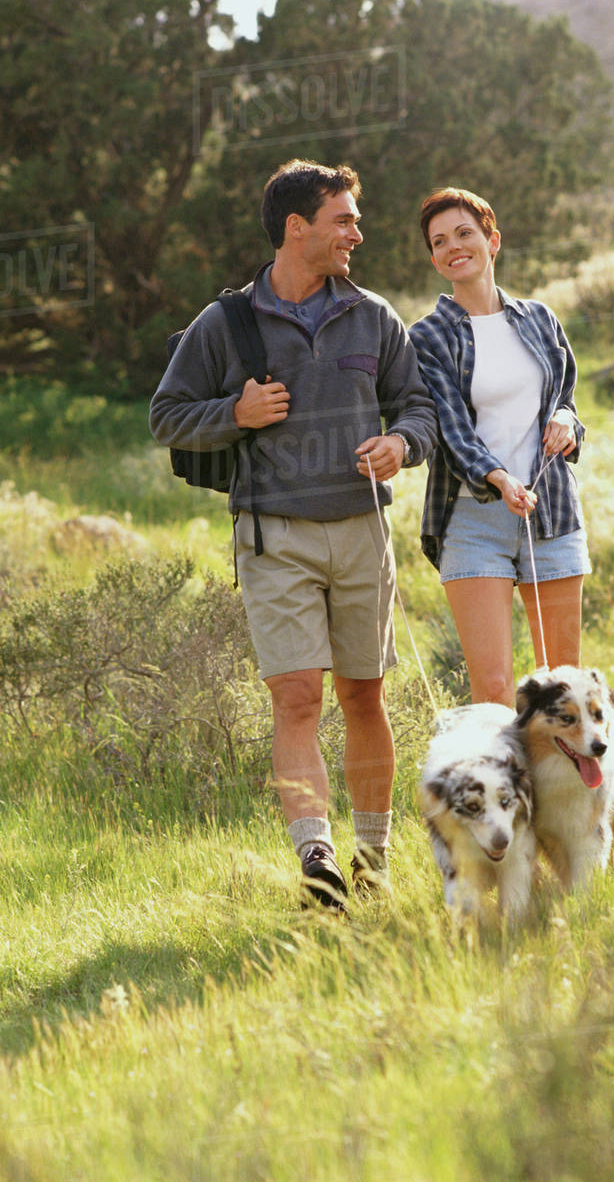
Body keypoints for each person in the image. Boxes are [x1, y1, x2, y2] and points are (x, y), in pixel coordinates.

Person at [150, 159, 437, 909]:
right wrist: (233, 417)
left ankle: (372, 858)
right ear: (297, 227)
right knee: (298, 699)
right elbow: (166, 416)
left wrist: (402, 444)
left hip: (361, 534)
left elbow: (417, 407)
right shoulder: (226, 324)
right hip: (273, 538)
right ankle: (319, 865)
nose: (357, 233)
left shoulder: (374, 315)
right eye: (343, 219)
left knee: (365, 696)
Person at [408, 187, 590, 707]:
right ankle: (507, 791)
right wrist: (499, 479)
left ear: (493, 241)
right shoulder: (428, 337)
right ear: (434, 257)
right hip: (473, 521)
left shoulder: (539, 318)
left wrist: (566, 421)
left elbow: (567, 398)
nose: (452, 247)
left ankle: (563, 791)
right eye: (439, 241)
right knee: (492, 692)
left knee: (564, 689)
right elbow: (451, 430)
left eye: (465, 233)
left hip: (551, 512)